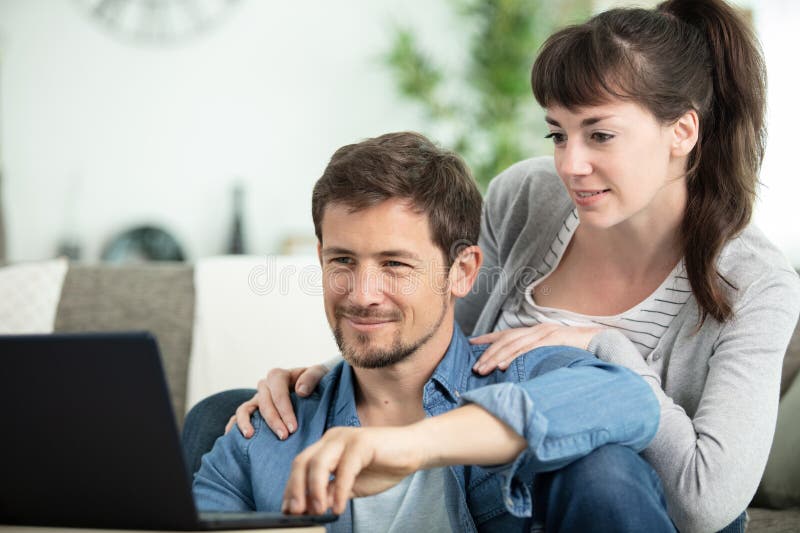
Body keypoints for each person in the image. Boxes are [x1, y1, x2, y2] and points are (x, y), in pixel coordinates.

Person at [228, 1, 800, 532]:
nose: (571, 164)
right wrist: (332, 377)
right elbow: (441, 333)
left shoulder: (756, 281)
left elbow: (705, 502)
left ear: (682, 131)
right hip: (503, 490)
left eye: (599, 134)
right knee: (228, 421)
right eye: (558, 133)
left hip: (631, 505)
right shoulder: (528, 197)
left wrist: (601, 344)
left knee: (597, 468)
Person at [192, 131, 674, 532]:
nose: (362, 294)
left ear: (462, 272)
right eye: (342, 261)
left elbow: (630, 399)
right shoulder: (267, 434)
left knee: (608, 469)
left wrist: (411, 446)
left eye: (395, 265)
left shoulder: (519, 375)